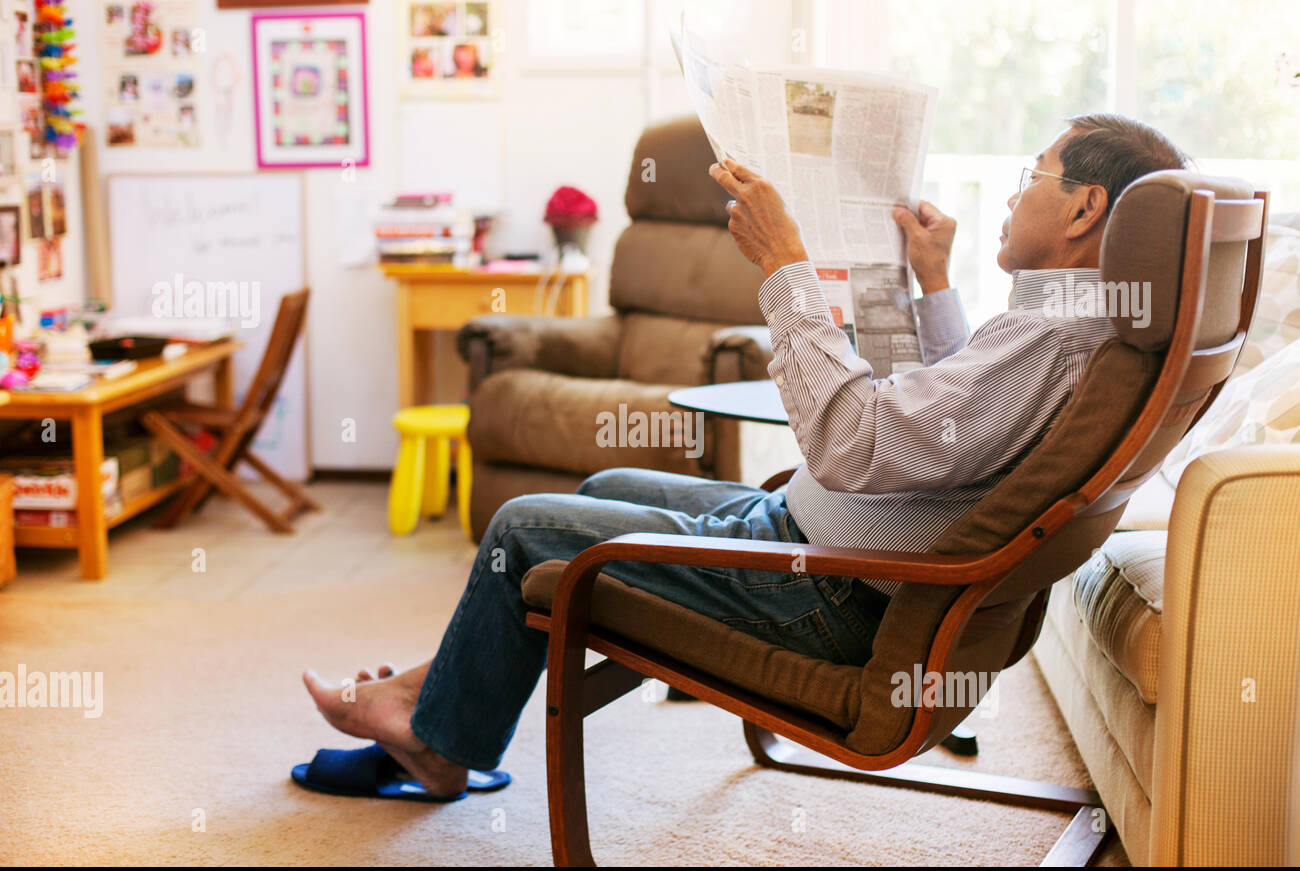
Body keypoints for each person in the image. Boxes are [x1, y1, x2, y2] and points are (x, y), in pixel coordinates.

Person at [295, 113, 1189, 801]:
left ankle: (438, 744)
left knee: (525, 528)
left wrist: (785, 269)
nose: (1012, 193)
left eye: (1032, 175)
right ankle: (428, 701)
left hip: (823, 590)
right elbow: (958, 422)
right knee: (604, 485)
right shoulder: (1086, 331)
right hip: (817, 546)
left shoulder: (1060, 339)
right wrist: (935, 283)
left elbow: (854, 443)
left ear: (1083, 206)